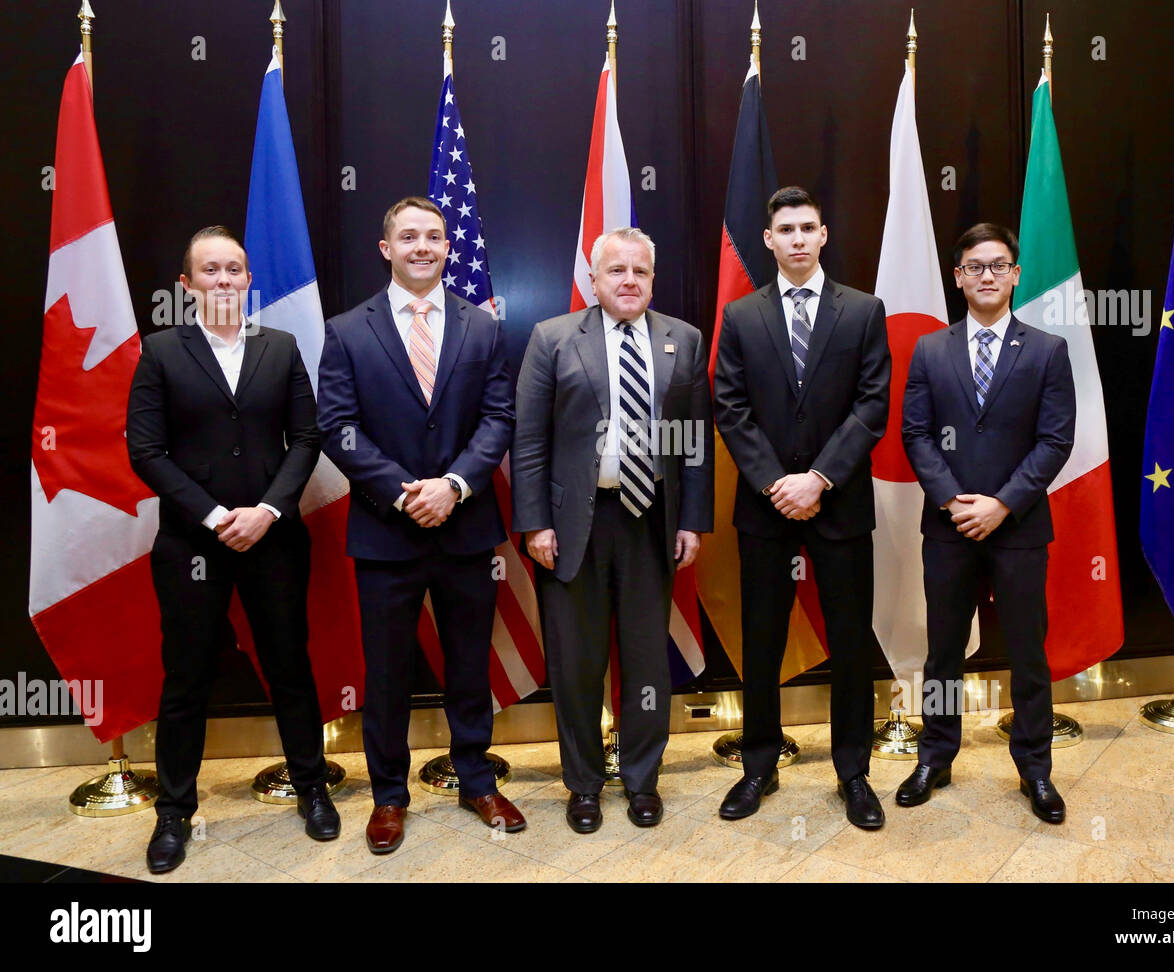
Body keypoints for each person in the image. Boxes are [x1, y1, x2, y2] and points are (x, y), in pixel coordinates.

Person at [127, 226, 337, 874]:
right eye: (210, 271)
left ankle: (312, 789)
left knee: (290, 668)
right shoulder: (160, 352)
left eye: (234, 270)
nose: (224, 280)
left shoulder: (282, 347)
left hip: (274, 539)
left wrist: (269, 510)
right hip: (193, 543)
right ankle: (173, 815)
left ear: (249, 280)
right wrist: (219, 516)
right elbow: (146, 451)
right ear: (187, 286)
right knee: (187, 680)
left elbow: (306, 437)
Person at [317, 196, 521, 853]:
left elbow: (499, 419)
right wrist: (405, 495)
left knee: (469, 664)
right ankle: (388, 796)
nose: (423, 247)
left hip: (465, 528)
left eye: (434, 236)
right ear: (387, 248)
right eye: (409, 237)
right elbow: (336, 427)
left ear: (446, 246)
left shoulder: (482, 328)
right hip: (387, 532)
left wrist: (454, 486)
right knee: (387, 674)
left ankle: (475, 779)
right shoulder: (348, 331)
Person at [512, 227, 713, 833]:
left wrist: (693, 522)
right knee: (576, 662)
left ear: (653, 278)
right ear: (594, 279)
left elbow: (696, 444)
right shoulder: (552, 338)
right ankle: (583, 784)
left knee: (647, 659)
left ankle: (642, 779)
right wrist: (535, 523)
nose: (630, 281)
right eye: (617, 271)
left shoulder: (684, 339)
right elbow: (528, 440)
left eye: (641, 272)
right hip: (577, 523)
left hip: (652, 520)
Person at [712, 187, 891, 829]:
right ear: (768, 239)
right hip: (765, 509)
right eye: (784, 228)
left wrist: (817, 478)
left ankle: (854, 772)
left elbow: (872, 406)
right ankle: (758, 764)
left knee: (850, 641)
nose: (795, 238)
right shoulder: (739, 316)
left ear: (824, 235)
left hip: (839, 505)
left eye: (806, 227)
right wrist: (776, 484)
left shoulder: (864, 311)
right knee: (760, 640)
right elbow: (729, 408)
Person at [898, 222, 1075, 823]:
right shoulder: (930, 349)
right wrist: (953, 501)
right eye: (975, 266)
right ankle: (936, 756)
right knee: (944, 652)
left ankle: (1036, 769)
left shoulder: (1048, 350)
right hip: (948, 529)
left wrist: (1001, 504)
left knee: (1027, 652)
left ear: (1016, 273)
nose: (987, 275)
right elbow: (915, 434)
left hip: (1020, 528)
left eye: (998, 265)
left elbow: (1055, 442)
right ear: (958, 277)